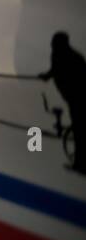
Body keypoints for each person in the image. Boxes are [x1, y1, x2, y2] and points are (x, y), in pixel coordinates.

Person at [40, 31, 84, 174]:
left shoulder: (73, 58)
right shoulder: (59, 55)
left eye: (54, 43)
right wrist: (46, 76)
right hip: (72, 99)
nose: (51, 45)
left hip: (78, 99)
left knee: (80, 130)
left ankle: (81, 163)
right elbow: (55, 71)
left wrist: (48, 76)